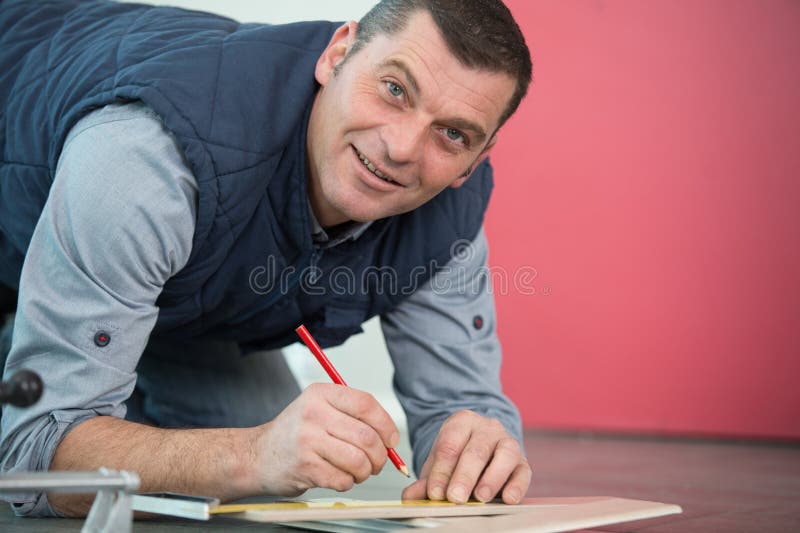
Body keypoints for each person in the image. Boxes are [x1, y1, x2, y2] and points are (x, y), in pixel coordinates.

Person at [0, 0, 533, 518]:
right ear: (338, 54)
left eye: (453, 133)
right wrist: (249, 455)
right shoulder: (148, 160)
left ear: (474, 161)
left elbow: (461, 402)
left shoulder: (446, 209)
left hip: (175, 290)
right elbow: (35, 462)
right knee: (247, 458)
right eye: (394, 89)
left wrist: (476, 452)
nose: (401, 148)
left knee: (262, 451)